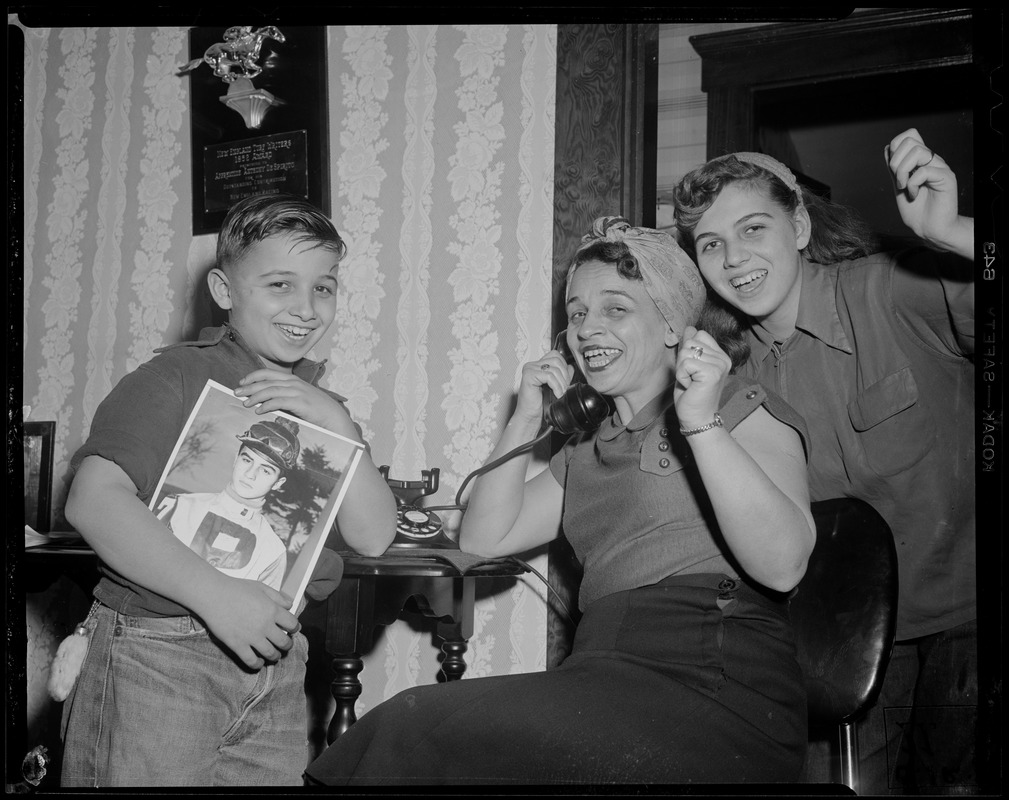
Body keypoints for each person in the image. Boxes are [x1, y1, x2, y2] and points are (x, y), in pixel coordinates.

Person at [305, 216, 816, 786]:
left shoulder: (743, 409)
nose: (587, 330)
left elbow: (784, 563)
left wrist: (700, 422)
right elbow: (481, 540)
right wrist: (527, 416)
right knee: (410, 726)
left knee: (411, 729)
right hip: (604, 675)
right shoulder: (586, 452)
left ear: (675, 324)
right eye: (576, 315)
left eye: (615, 309)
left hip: (718, 688)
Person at [672, 128, 975, 794]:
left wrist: (955, 232)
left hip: (968, 617)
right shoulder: (725, 378)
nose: (733, 258)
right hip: (844, 638)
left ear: (800, 225)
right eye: (710, 243)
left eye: (753, 228)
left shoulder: (893, 289)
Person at [60, 193, 398, 787]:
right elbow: (92, 500)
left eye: (324, 287)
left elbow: (373, 536)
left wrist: (341, 428)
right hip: (158, 653)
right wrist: (216, 596)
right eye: (279, 285)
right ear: (223, 290)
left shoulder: (323, 411)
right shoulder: (175, 376)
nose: (307, 307)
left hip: (276, 660)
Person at [155, 418, 304, 589]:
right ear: (236, 459)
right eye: (247, 460)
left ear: (278, 483)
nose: (250, 474)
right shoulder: (178, 506)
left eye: (265, 470)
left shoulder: (273, 552)